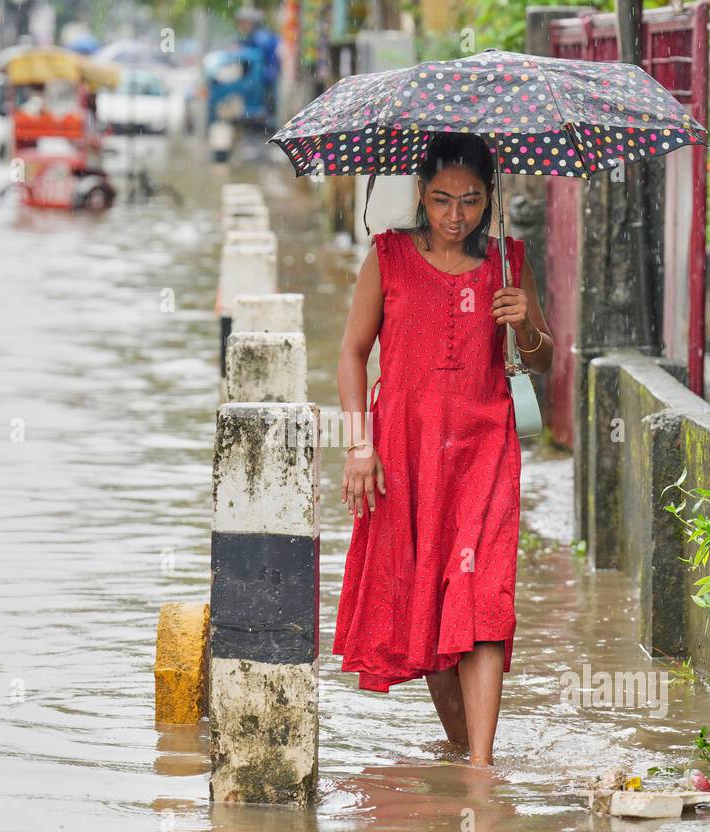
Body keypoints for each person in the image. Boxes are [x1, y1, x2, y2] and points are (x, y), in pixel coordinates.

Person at [333, 133, 554, 767]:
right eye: (440, 200)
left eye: (471, 201)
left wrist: (525, 327)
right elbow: (352, 353)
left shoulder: (509, 262)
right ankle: (463, 753)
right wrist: (358, 447)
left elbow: (543, 361)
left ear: (491, 198)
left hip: (484, 450)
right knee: (430, 605)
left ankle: (481, 769)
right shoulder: (388, 257)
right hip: (404, 454)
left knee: (482, 597)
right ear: (420, 195)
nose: (456, 216)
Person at [233, 6, 279, 123]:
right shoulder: (254, 37)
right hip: (265, 75)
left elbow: (260, 55)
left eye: (243, 23)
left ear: (251, 23)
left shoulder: (262, 37)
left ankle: (269, 118)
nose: (241, 26)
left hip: (268, 75)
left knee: (268, 104)